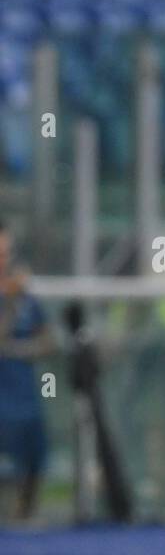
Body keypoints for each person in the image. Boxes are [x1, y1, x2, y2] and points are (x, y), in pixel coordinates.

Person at [0, 221, 55, 522]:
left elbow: (49, 340)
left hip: (24, 396)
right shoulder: (12, 297)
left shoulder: (25, 298)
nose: (3, 260)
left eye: (6, 253)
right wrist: (9, 301)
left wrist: (21, 350)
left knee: (35, 460)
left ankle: (24, 522)